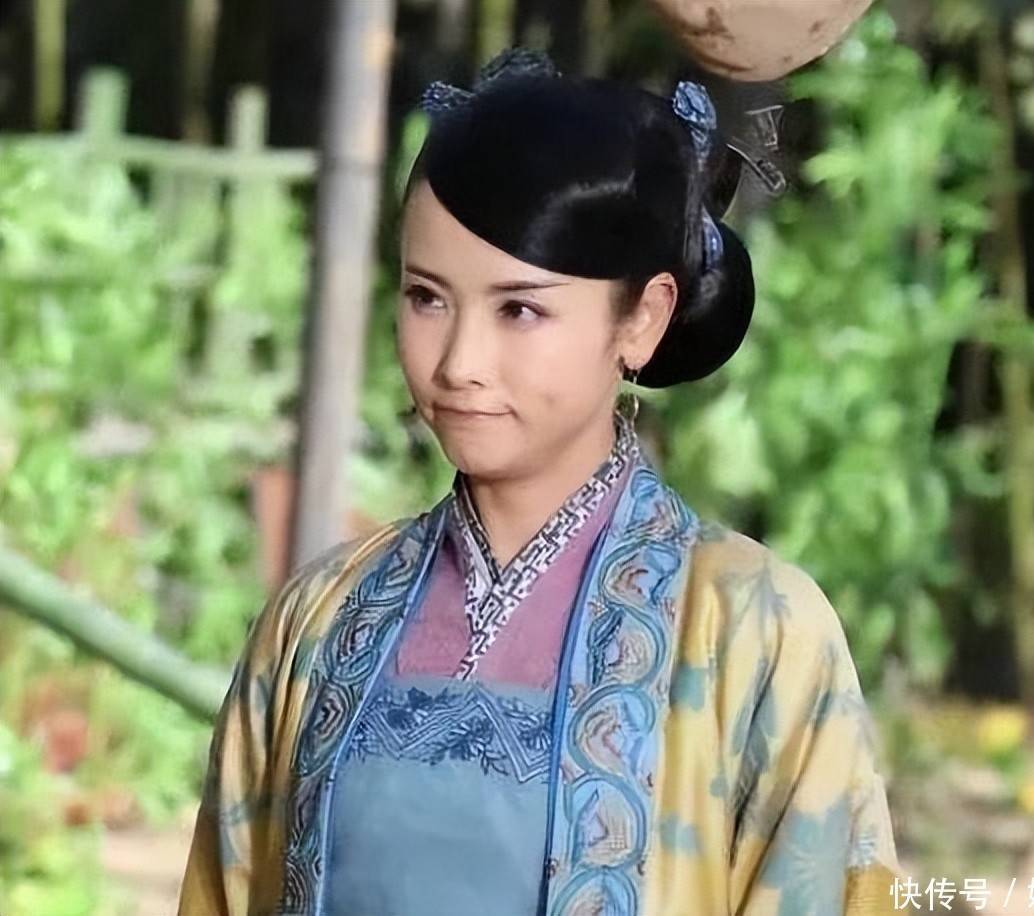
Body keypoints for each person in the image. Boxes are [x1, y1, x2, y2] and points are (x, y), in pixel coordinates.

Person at [178, 47, 901, 916]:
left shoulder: (757, 631)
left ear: (643, 318)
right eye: (427, 297)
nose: (459, 361)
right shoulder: (316, 620)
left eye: (519, 309)